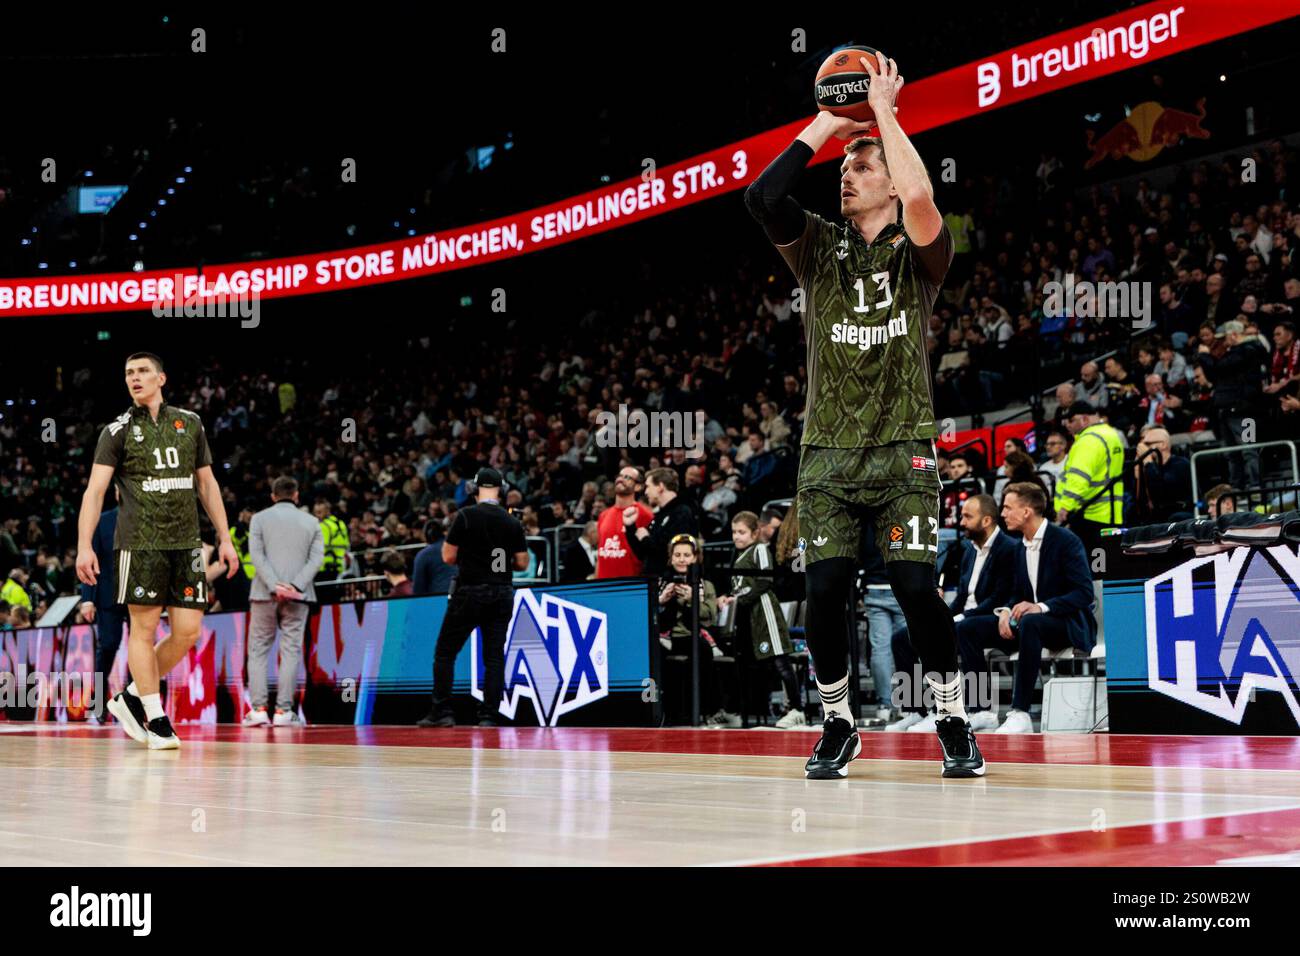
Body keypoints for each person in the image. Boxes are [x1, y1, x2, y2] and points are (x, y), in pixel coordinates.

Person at [745, 51, 983, 779]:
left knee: (914, 588)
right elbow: (762, 198)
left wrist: (883, 111)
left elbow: (919, 198)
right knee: (821, 592)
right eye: (843, 169)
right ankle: (839, 724)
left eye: (862, 168)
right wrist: (828, 120)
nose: (845, 175)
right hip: (826, 452)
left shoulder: (922, 252)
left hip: (904, 446)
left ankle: (950, 717)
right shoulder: (818, 245)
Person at [75, 352, 240, 750]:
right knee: (144, 631)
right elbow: (95, 492)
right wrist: (84, 545)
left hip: (185, 543)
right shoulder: (115, 431)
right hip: (140, 544)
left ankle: (130, 698)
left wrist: (225, 537)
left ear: (161, 378)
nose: (135, 378)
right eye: (129, 373)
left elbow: (207, 485)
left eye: (143, 371)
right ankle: (156, 716)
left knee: (188, 632)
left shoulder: (191, 423)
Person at [890, 495, 1017, 732]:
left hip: (993, 618)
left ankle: (981, 709)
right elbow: (961, 596)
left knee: (964, 630)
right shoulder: (968, 550)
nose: (962, 521)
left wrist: (960, 617)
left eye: (968, 516)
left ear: (986, 520)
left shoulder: (1009, 548)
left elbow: (1000, 597)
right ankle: (914, 709)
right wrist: (944, 613)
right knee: (902, 637)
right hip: (966, 619)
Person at [418, 468, 528, 728]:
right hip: (501, 592)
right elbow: (522, 563)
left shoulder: (465, 516)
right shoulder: (512, 521)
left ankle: (442, 711)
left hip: (470, 591)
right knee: (493, 656)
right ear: (500, 489)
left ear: (475, 489)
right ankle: (489, 715)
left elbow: (447, 557)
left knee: (445, 652)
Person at [986, 483, 1096, 733]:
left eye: (1007, 507)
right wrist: (1005, 609)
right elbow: (1016, 592)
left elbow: (1084, 593)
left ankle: (1020, 712)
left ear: (1026, 511)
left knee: (1031, 622)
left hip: (1067, 622)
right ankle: (978, 710)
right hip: (1031, 624)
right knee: (969, 629)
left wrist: (1041, 607)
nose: (1002, 514)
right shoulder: (1018, 546)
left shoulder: (1066, 540)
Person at [243, 476, 325, 728]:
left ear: (273, 496)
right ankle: (283, 711)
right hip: (298, 595)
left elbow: (255, 555)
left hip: (263, 594)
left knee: (258, 650)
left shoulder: (258, 519)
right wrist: (295, 585)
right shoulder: (312, 522)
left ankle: (257, 710)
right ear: (297, 495)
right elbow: (316, 559)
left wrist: (273, 584)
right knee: (290, 651)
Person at [717, 512, 802, 728]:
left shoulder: (760, 549)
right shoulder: (738, 555)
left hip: (765, 612)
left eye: (742, 532)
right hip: (748, 616)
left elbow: (765, 580)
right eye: (734, 532)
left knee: (779, 659)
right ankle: (739, 711)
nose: (737, 536)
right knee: (747, 664)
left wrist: (740, 598)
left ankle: (796, 709)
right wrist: (732, 598)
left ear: (755, 533)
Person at [656, 534, 730, 725]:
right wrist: (661, 601)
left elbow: (710, 618)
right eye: (677, 554)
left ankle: (705, 711)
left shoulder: (707, 584)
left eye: (687, 555)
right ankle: (661, 713)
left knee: (702, 649)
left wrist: (693, 599)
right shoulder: (659, 582)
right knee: (651, 653)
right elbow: (649, 616)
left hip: (691, 635)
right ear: (670, 557)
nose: (681, 559)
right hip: (665, 637)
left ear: (695, 557)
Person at [1197, 319, 1268, 491]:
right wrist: (1205, 358)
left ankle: (1255, 487)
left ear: (1234, 335)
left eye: (1226, 337)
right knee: (1231, 454)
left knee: (1249, 449)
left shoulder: (1248, 350)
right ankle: (1237, 488)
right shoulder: (1234, 353)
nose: (1223, 341)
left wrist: (1205, 355)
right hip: (1227, 410)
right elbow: (1215, 375)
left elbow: (1219, 368)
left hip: (1246, 411)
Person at [1054, 401, 1125, 563]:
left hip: (1088, 514)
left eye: (1071, 420)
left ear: (1084, 419)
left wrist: (1065, 507)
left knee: (1086, 569)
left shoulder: (1088, 440)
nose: (1067, 425)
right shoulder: (1111, 435)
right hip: (1110, 512)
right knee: (1104, 568)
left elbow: (1079, 477)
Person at [78, 495, 127, 722]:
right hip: (108, 594)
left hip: (141, 596)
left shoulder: (146, 518)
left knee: (142, 649)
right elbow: (88, 558)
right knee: (107, 646)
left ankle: (134, 702)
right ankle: (98, 700)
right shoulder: (102, 520)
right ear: (118, 492)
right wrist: (87, 598)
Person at [622, 467, 699, 580]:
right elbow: (642, 553)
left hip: (671, 584)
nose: (646, 492)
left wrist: (645, 538)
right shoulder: (659, 516)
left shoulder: (682, 512)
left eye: (648, 486)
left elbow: (671, 552)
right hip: (653, 581)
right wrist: (630, 528)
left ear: (660, 487)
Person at [595, 466, 653, 578]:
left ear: (638, 487)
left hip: (630, 586)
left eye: (627, 477)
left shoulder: (645, 515)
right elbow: (600, 554)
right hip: (603, 586)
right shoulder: (603, 515)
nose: (621, 479)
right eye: (620, 476)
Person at [1133, 426, 1193, 522]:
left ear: (1163, 444)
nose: (1142, 447)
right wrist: (1137, 472)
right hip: (1156, 518)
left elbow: (1162, 491)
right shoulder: (1150, 467)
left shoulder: (1181, 464)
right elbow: (1139, 502)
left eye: (1147, 444)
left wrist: (1148, 462)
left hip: (1177, 516)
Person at [412, 519, 457, 594]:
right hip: (462, 596)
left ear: (426, 536)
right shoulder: (457, 547)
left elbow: (418, 589)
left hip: (438, 599)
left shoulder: (423, 555)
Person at [313, 498, 351, 587]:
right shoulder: (340, 523)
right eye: (315, 512)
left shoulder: (322, 526)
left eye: (319, 512)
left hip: (325, 567)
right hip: (340, 565)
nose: (317, 515)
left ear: (327, 511)